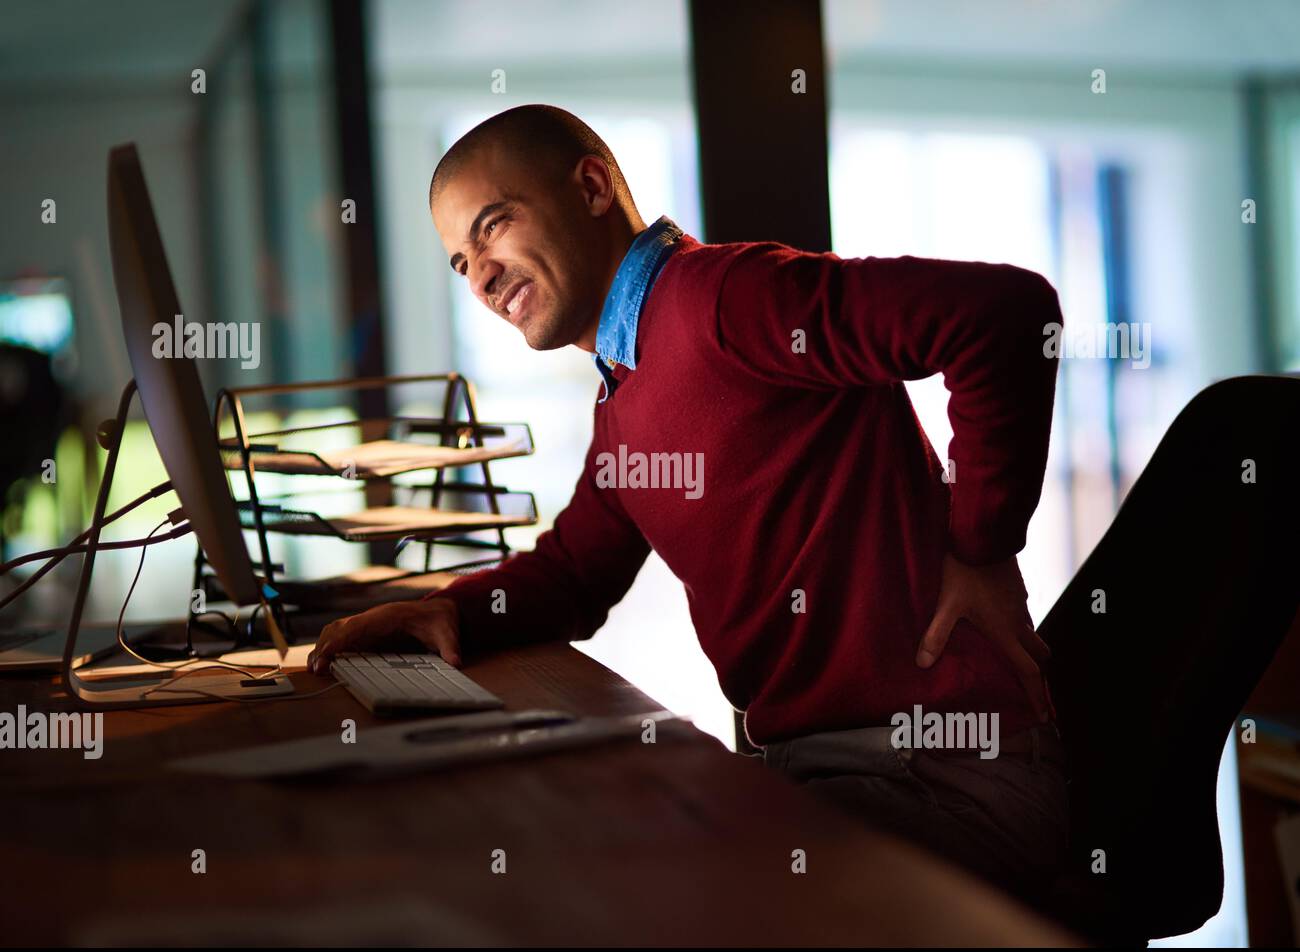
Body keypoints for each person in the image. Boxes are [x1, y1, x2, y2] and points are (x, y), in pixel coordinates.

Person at [307, 104, 1068, 900]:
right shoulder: (623, 398)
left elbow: (1004, 315)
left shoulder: (725, 298)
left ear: (593, 185)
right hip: (825, 773)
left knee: (632, 891)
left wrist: (981, 541)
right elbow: (575, 572)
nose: (483, 275)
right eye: (462, 262)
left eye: (493, 227)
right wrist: (448, 612)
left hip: (949, 780)